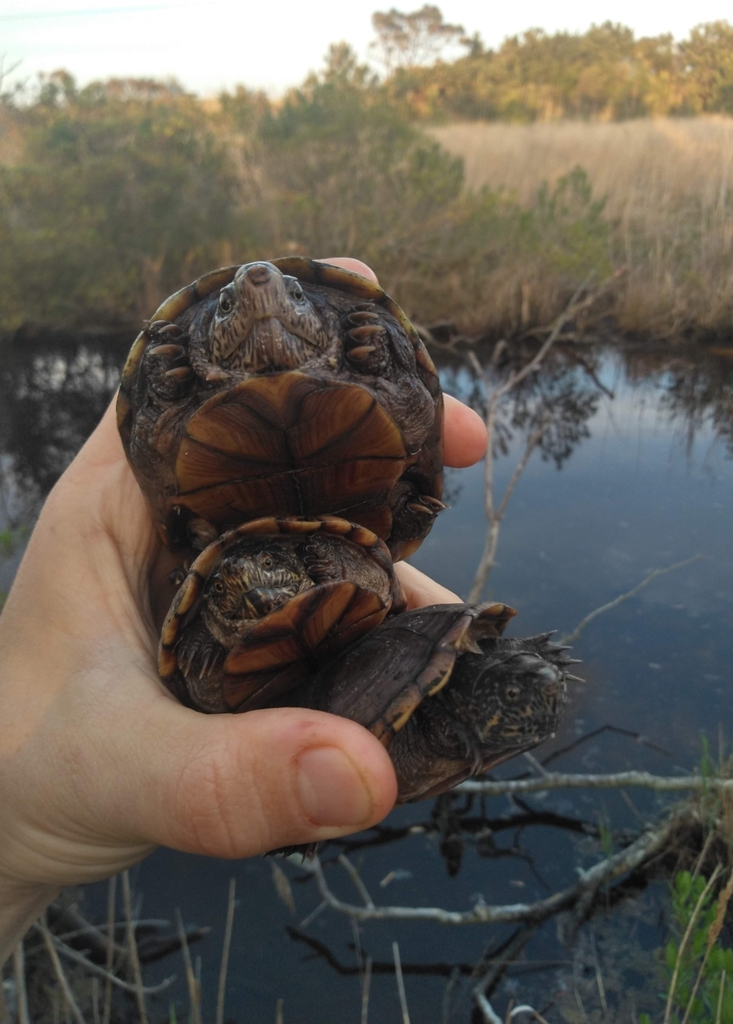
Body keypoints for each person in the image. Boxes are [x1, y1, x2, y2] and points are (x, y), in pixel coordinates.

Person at [0, 258, 487, 965]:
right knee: (270, 604)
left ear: (322, 317)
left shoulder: (357, 334)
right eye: (230, 308)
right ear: (204, 339)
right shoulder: (172, 361)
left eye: (294, 298)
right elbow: (154, 457)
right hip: (263, 546)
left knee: (415, 652)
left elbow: (415, 409)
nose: (262, 299)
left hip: (339, 529)